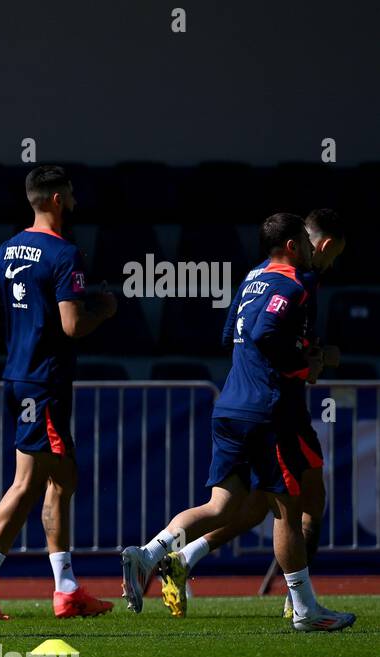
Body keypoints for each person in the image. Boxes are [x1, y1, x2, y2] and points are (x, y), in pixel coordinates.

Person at [121, 213, 355, 632]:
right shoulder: (294, 284)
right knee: (288, 509)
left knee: (221, 506)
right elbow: (266, 333)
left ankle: (149, 553)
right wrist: (304, 361)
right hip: (267, 410)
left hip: (230, 402)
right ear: (295, 245)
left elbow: (232, 334)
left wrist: (302, 351)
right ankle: (304, 609)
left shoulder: (252, 278)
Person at [0, 165, 117, 621]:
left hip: (18, 375)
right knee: (29, 483)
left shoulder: (7, 248)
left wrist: (21, 321)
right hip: (44, 380)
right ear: (56, 200)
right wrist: (104, 310)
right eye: (70, 193)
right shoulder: (65, 254)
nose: (75, 201)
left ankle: (65, 587)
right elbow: (72, 326)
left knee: (62, 477)